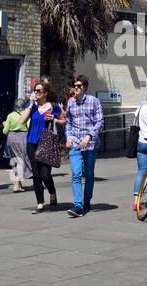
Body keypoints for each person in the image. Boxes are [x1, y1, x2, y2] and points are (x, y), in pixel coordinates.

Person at [64, 74, 103, 217]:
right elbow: (68, 123)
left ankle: (87, 202)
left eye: (79, 86)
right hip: (75, 143)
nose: (76, 88)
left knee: (89, 174)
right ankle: (78, 205)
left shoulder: (94, 101)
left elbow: (100, 122)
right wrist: (68, 138)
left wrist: (89, 136)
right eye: (74, 86)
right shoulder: (71, 103)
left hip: (90, 144)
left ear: (85, 87)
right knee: (76, 174)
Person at [23, 82, 62, 212]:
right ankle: (40, 202)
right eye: (35, 90)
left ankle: (52, 192)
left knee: (45, 174)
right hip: (31, 143)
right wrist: (30, 105)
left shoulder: (54, 106)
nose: (36, 93)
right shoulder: (31, 106)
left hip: (46, 143)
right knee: (36, 174)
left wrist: (54, 119)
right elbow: (22, 120)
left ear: (45, 93)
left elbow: (64, 121)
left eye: (39, 90)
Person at [3, 98, 32, 192]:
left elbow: (5, 131)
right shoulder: (26, 114)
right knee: (22, 159)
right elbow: (29, 127)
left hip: (11, 138)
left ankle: (18, 182)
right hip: (22, 137)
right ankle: (17, 183)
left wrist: (5, 125)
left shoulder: (10, 115)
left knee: (15, 159)